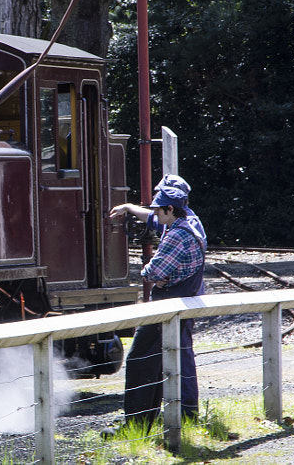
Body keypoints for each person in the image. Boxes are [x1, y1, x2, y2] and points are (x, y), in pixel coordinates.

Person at [112, 184, 206, 430]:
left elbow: (152, 271)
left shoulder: (176, 235)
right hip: (187, 298)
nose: (154, 214)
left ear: (170, 208)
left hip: (169, 304)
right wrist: (128, 208)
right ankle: (184, 414)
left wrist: (150, 272)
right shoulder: (190, 220)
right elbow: (152, 219)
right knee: (175, 357)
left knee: (140, 360)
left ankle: (136, 424)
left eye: (159, 209)